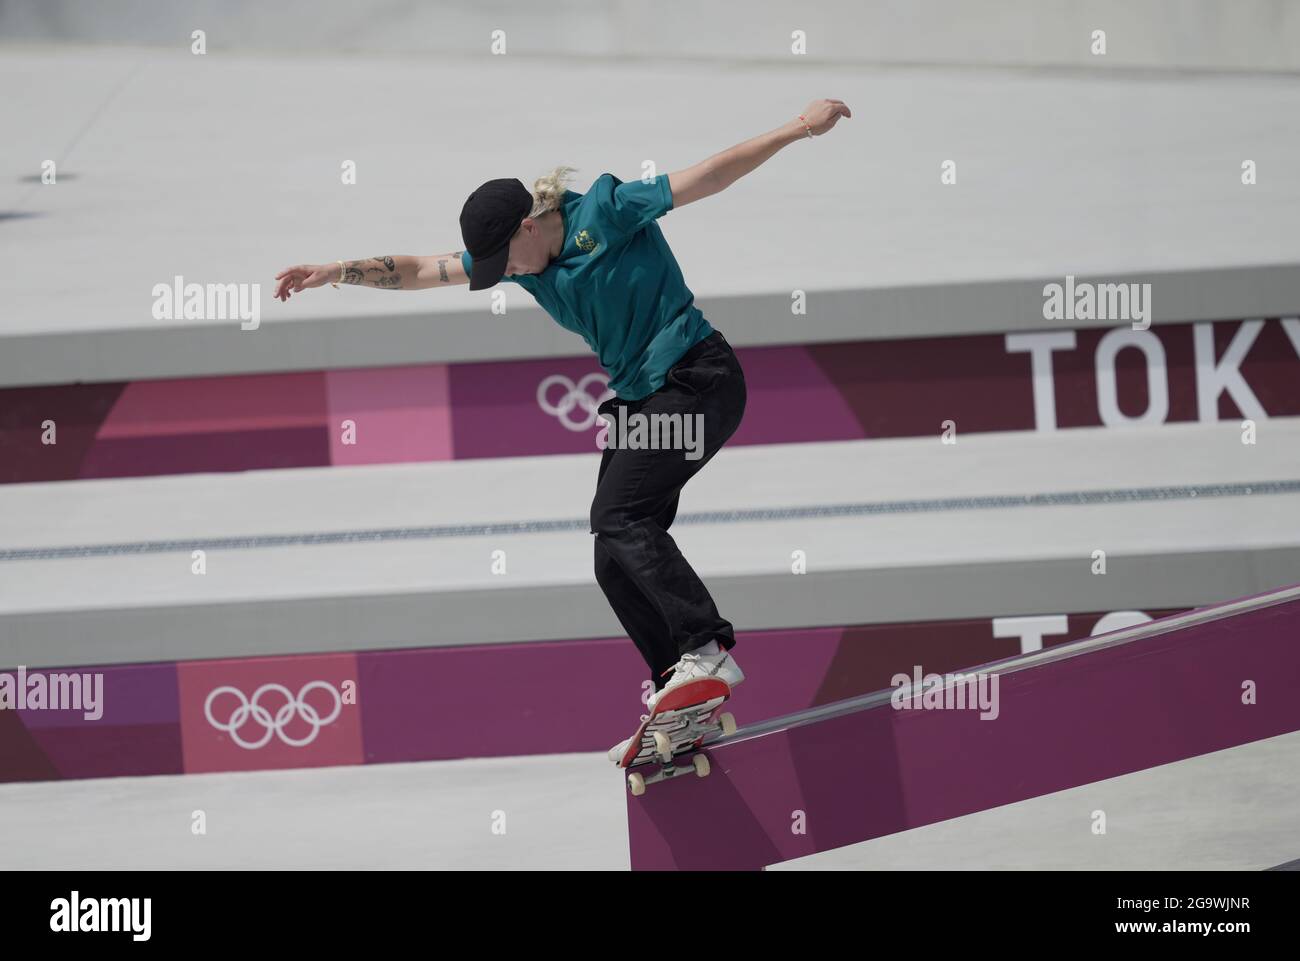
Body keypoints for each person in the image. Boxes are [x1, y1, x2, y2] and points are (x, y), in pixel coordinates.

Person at [274, 100, 852, 762]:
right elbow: (420, 269)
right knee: (611, 555)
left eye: (507, 262)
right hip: (648, 401)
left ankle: (707, 652)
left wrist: (797, 129)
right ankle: (683, 695)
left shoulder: (605, 210)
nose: (508, 276)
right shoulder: (523, 261)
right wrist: (334, 271)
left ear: (529, 224)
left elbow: (710, 176)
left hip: (701, 380)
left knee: (619, 513)